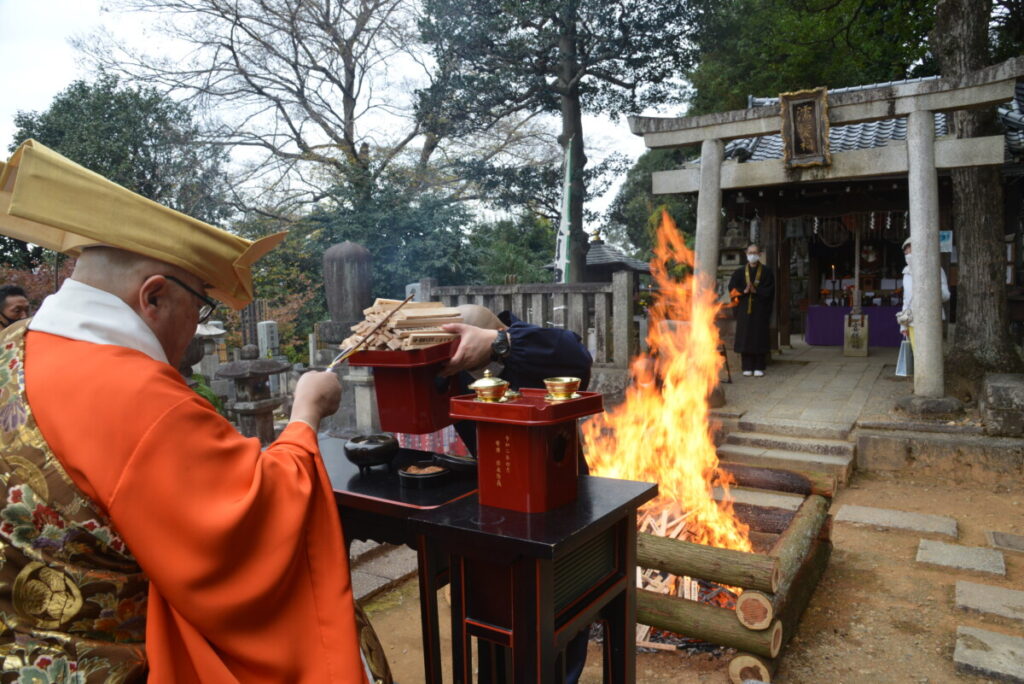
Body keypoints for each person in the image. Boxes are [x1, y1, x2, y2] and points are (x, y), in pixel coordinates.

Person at [0, 140, 378, 682]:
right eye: (199, 304)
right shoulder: (132, 393)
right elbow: (253, 524)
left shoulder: (16, 345)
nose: (197, 325)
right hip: (110, 660)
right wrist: (305, 414)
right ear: (153, 297)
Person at [440, 305, 593, 684]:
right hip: (496, 500)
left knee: (560, 616)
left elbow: (577, 356)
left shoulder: (532, 346)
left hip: (561, 498)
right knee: (501, 616)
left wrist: (500, 344)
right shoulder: (458, 369)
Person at [728, 243, 775, 377]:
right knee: (745, 336)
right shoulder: (739, 272)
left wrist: (756, 291)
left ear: (759, 254)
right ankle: (746, 366)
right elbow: (732, 289)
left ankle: (759, 366)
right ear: (746, 254)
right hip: (744, 310)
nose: (752, 255)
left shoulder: (766, 272)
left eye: (755, 252)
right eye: (750, 252)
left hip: (760, 310)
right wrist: (744, 291)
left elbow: (770, 290)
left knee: (759, 336)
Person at [897, 235, 950, 352]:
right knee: (916, 353)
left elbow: (946, 295)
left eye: (909, 247)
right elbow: (906, 300)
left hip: (931, 319)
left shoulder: (935, 268)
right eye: (905, 249)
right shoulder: (906, 273)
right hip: (912, 320)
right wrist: (903, 325)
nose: (907, 251)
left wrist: (933, 289)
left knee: (931, 352)